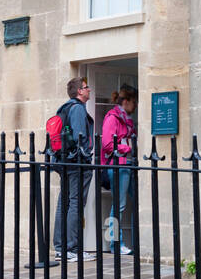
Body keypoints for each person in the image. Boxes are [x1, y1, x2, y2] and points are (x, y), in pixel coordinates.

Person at [52, 77, 95, 262]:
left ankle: (61, 247)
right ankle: (72, 248)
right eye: (86, 88)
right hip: (76, 163)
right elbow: (80, 138)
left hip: (64, 161)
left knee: (65, 202)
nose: (89, 90)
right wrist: (86, 157)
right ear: (79, 91)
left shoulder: (64, 108)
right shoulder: (77, 108)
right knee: (75, 203)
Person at [101, 85, 138, 255]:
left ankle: (137, 242)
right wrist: (128, 147)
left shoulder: (127, 120)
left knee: (137, 203)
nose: (136, 105)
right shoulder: (112, 118)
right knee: (119, 205)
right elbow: (108, 145)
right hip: (118, 165)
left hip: (129, 164)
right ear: (125, 101)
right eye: (134, 101)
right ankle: (114, 244)